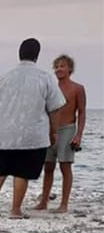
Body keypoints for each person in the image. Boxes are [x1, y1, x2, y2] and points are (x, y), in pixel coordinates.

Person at [0, 38, 65, 219]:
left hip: (0, 134)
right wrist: (53, 131)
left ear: (19, 54)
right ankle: (15, 210)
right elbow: (55, 107)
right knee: (22, 172)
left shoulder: (3, 77)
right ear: (37, 55)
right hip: (30, 135)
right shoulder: (44, 78)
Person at [35, 54, 86, 213]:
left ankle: (64, 204)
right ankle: (43, 201)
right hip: (51, 130)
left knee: (65, 166)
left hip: (68, 129)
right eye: (56, 66)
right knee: (48, 166)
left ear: (70, 69)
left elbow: (82, 112)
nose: (59, 69)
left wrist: (78, 135)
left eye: (62, 66)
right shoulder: (51, 87)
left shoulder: (77, 88)